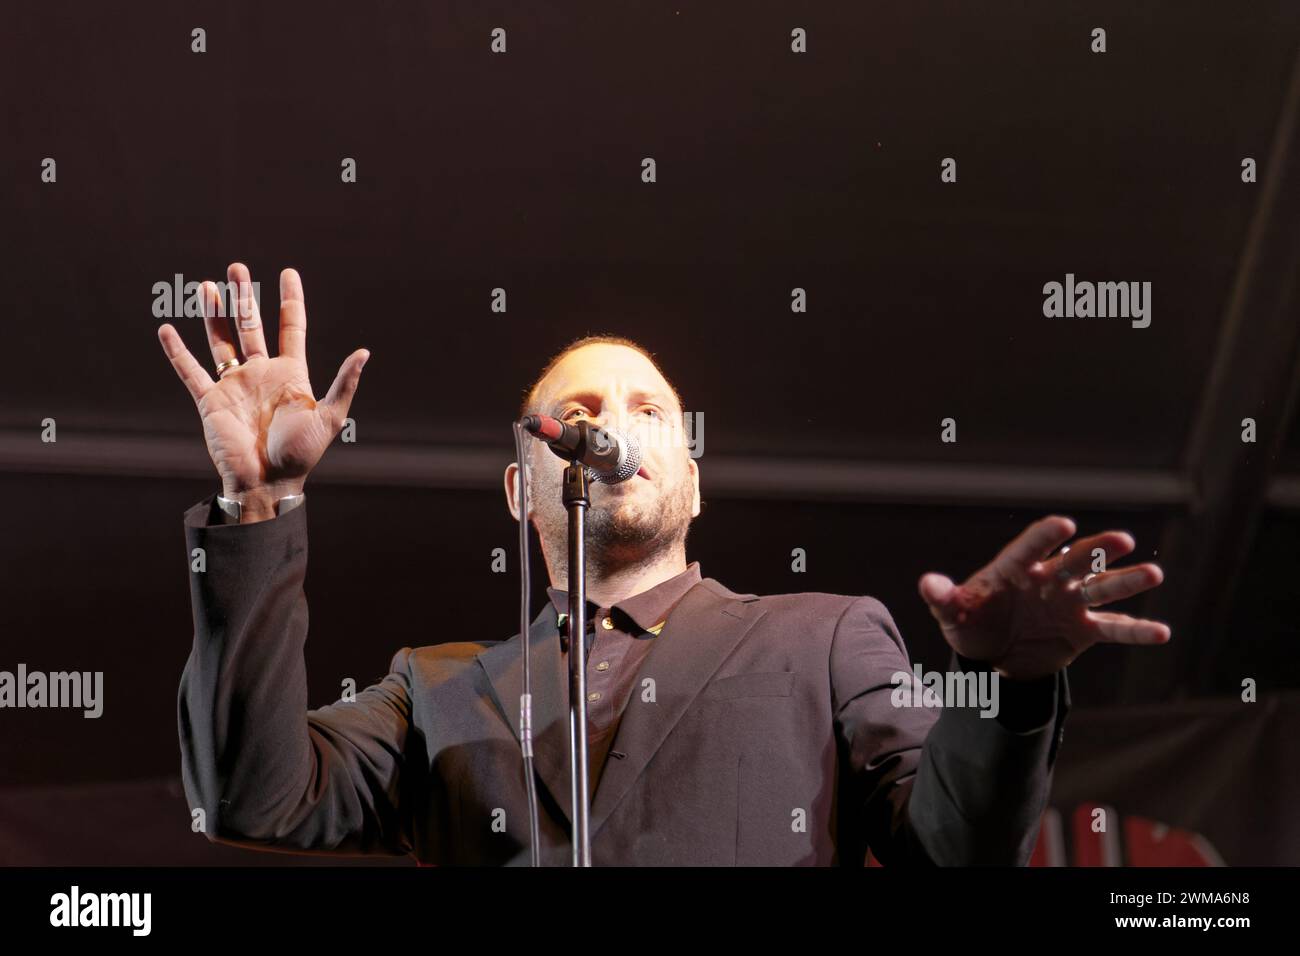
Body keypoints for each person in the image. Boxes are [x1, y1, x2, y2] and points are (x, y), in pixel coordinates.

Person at [157, 262, 1172, 865]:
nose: (611, 425)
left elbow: (947, 847)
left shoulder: (822, 634)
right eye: (580, 411)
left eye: (648, 410)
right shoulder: (432, 686)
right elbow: (251, 795)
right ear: (522, 487)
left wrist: (1006, 686)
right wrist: (259, 502)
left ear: (691, 478)